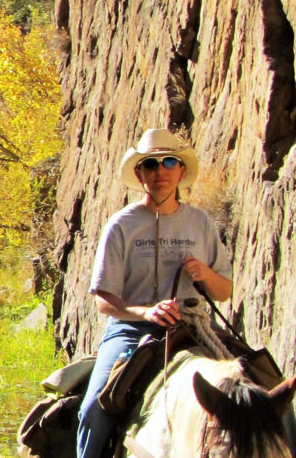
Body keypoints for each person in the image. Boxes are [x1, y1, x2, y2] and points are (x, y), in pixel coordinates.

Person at [76, 129, 233, 458]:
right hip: (132, 329)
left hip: (193, 325)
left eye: (169, 162)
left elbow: (223, 292)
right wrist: (146, 312)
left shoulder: (201, 223)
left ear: (181, 170)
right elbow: (104, 300)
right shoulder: (121, 225)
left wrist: (205, 274)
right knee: (93, 409)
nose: (160, 170)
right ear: (139, 173)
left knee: (267, 388)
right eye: (150, 164)